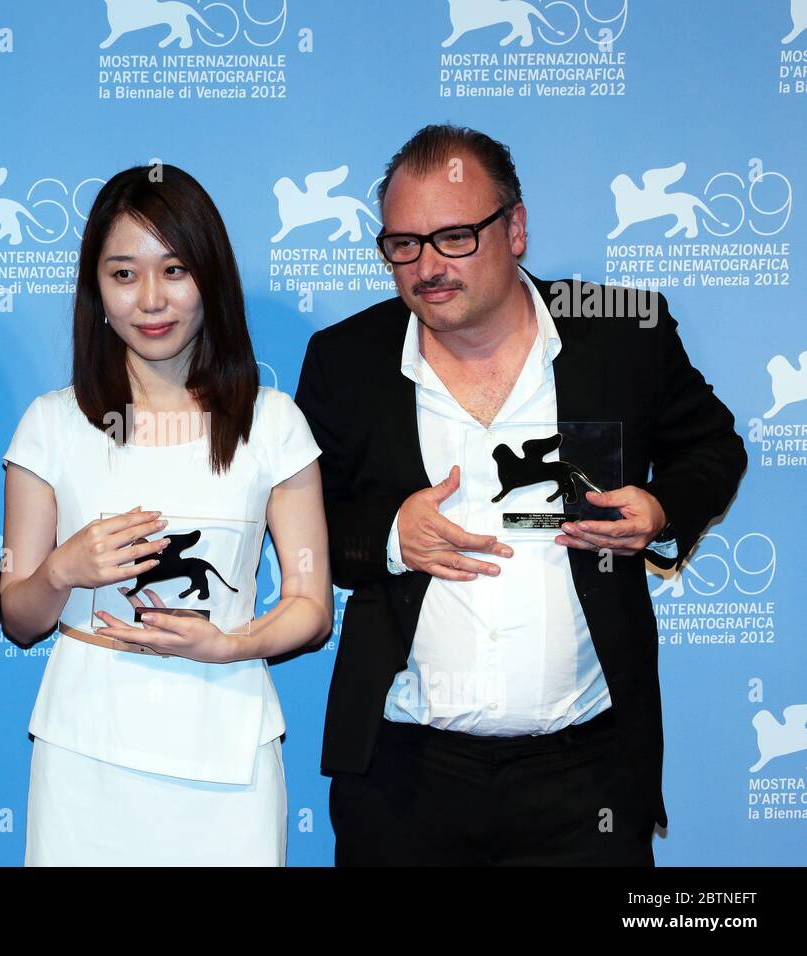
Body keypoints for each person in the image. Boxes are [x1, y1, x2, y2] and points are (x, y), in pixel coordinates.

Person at [296, 125, 747, 866]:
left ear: (516, 228)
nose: (427, 266)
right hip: (403, 779)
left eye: (453, 237)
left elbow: (713, 447)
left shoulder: (621, 334)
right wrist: (386, 535)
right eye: (402, 244)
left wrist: (662, 510)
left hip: (586, 779)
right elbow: (309, 529)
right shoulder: (346, 361)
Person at [0, 164, 333, 866]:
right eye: (124, 274)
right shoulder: (52, 425)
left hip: (228, 743)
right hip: (86, 750)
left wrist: (228, 645)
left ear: (209, 276)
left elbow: (310, 605)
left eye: (174, 269)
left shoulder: (272, 424)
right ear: (97, 288)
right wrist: (62, 569)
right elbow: (19, 618)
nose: (151, 299)